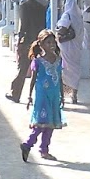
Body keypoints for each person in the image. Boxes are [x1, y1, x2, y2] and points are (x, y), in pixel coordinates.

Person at [19, 30, 66, 162]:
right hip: (42, 96)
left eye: (53, 42)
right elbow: (33, 80)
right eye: (48, 42)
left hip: (54, 96)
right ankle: (28, 144)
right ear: (41, 44)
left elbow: (60, 79)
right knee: (41, 123)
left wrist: (62, 96)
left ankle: (44, 150)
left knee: (50, 124)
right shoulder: (38, 62)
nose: (51, 45)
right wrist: (29, 96)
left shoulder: (58, 60)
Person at [8, 0, 49, 102]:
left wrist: (20, 39)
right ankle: (43, 96)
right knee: (40, 70)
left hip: (28, 42)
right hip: (40, 41)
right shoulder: (41, 7)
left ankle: (15, 94)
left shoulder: (24, 6)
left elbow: (24, 26)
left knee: (23, 68)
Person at [55, 0, 89, 105]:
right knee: (75, 71)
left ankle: (65, 94)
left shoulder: (67, 15)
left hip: (67, 48)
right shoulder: (79, 17)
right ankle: (74, 94)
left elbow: (62, 29)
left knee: (65, 71)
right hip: (77, 48)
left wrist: (57, 30)